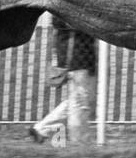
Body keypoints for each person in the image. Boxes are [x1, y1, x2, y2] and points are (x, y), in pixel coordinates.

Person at [30, 16, 98, 145]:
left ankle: (41, 129)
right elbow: (60, 22)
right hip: (77, 60)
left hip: (83, 59)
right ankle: (80, 142)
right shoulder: (68, 12)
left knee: (79, 100)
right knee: (80, 102)